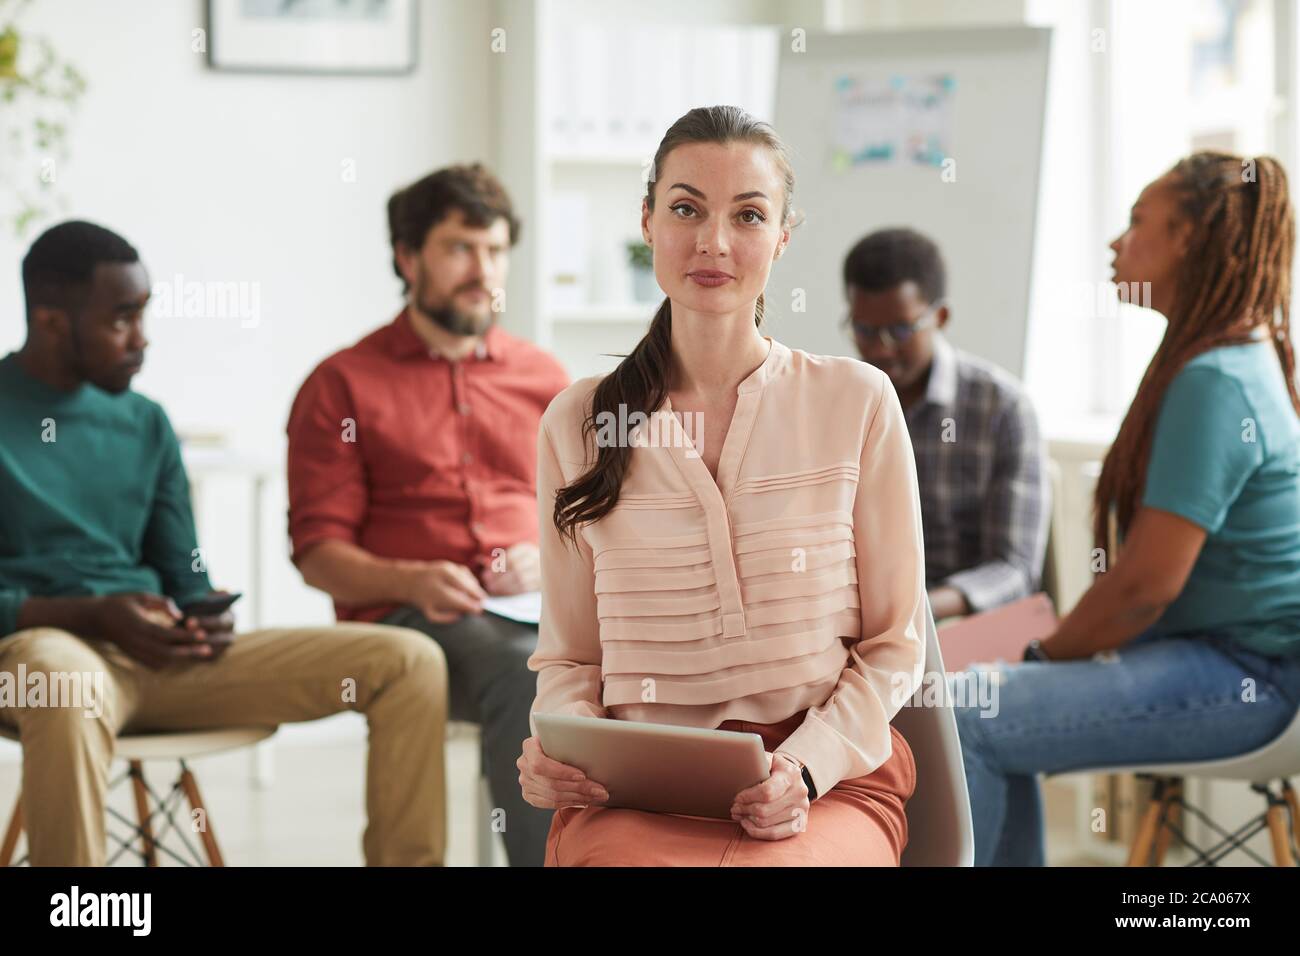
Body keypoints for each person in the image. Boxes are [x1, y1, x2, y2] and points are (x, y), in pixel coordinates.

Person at [517, 105, 927, 866]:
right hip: (637, 782)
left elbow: (894, 645)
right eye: (685, 209)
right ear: (647, 221)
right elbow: (570, 662)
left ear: (783, 236)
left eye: (747, 215)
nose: (713, 242)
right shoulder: (576, 422)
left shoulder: (857, 401)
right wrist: (557, 744)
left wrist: (805, 767)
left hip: (824, 778)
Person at [0, 220, 446, 866]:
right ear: (51, 323)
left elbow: (183, 570)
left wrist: (204, 609)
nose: (142, 338)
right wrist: (91, 615)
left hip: (161, 659)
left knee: (411, 662)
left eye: (144, 314)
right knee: (68, 685)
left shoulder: (145, 422)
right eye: (121, 319)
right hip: (47, 659)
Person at [956, 152, 1300, 866]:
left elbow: (1145, 587)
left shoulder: (1215, 378)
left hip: (1253, 679)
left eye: (1138, 222)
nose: (1117, 242)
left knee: (966, 713)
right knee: (977, 704)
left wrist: (1043, 656)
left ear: (1188, 238)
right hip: (1239, 663)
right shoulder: (1234, 352)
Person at [286, 164, 568, 867]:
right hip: (408, 622)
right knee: (527, 673)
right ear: (407, 257)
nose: (483, 270)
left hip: (535, 605)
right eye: (459, 249)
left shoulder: (545, 379)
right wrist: (414, 579)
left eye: (496, 251)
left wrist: (551, 552)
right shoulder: (341, 383)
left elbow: (593, 516)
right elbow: (319, 552)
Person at [843, 228, 1049, 621]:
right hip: (866, 620)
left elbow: (1014, 569)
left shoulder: (1002, 408)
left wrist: (917, 611)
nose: (881, 348)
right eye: (864, 331)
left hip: (965, 620)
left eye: (900, 330)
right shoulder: (839, 403)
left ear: (940, 316)